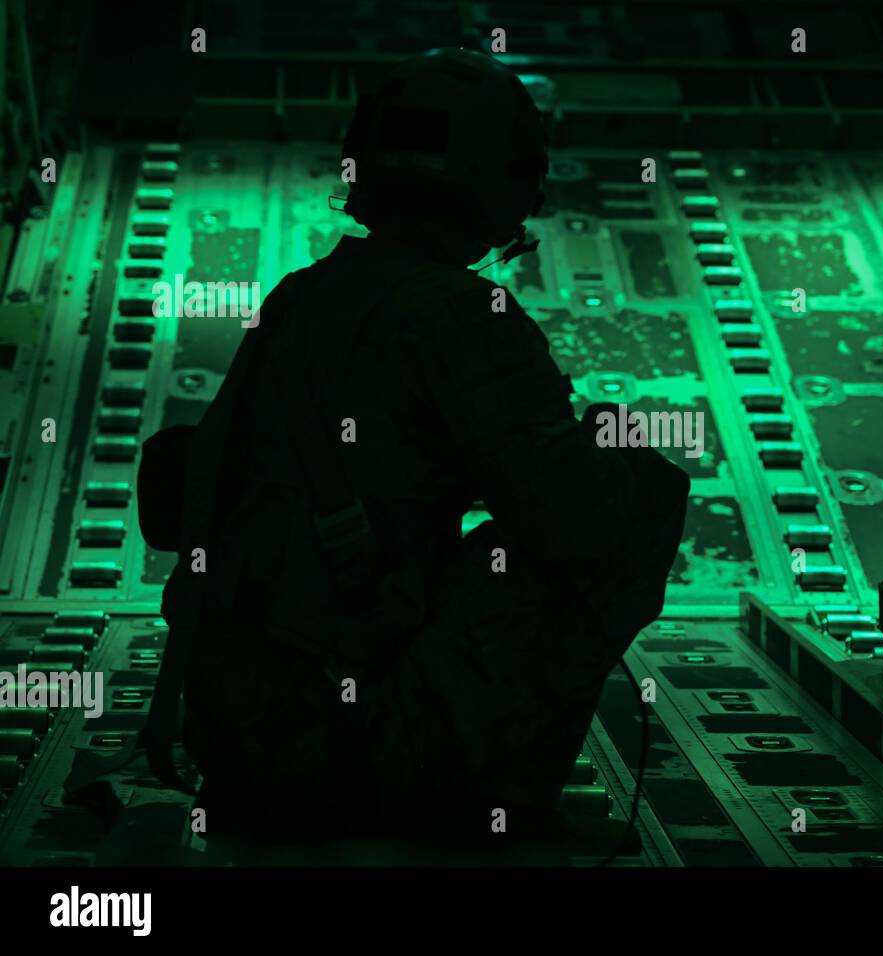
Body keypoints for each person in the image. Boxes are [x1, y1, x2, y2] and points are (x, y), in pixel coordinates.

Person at [161, 48, 690, 850]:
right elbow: (576, 519)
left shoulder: (300, 296)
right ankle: (497, 811)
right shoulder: (465, 316)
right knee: (641, 498)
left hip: (238, 740)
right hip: (354, 748)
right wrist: (614, 442)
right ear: (508, 179)